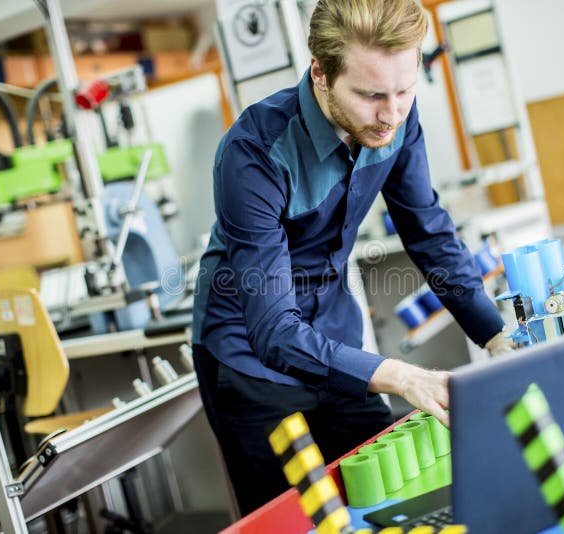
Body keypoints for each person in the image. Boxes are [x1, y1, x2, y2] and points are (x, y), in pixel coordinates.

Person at [191, 0, 512, 516]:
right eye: (370, 95)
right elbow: (273, 330)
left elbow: (428, 231)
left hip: (334, 337)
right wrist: (405, 376)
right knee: (293, 521)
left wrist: (497, 339)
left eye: (405, 90)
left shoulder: (398, 117)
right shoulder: (253, 152)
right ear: (320, 72)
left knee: (390, 499)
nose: (391, 113)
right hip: (249, 356)